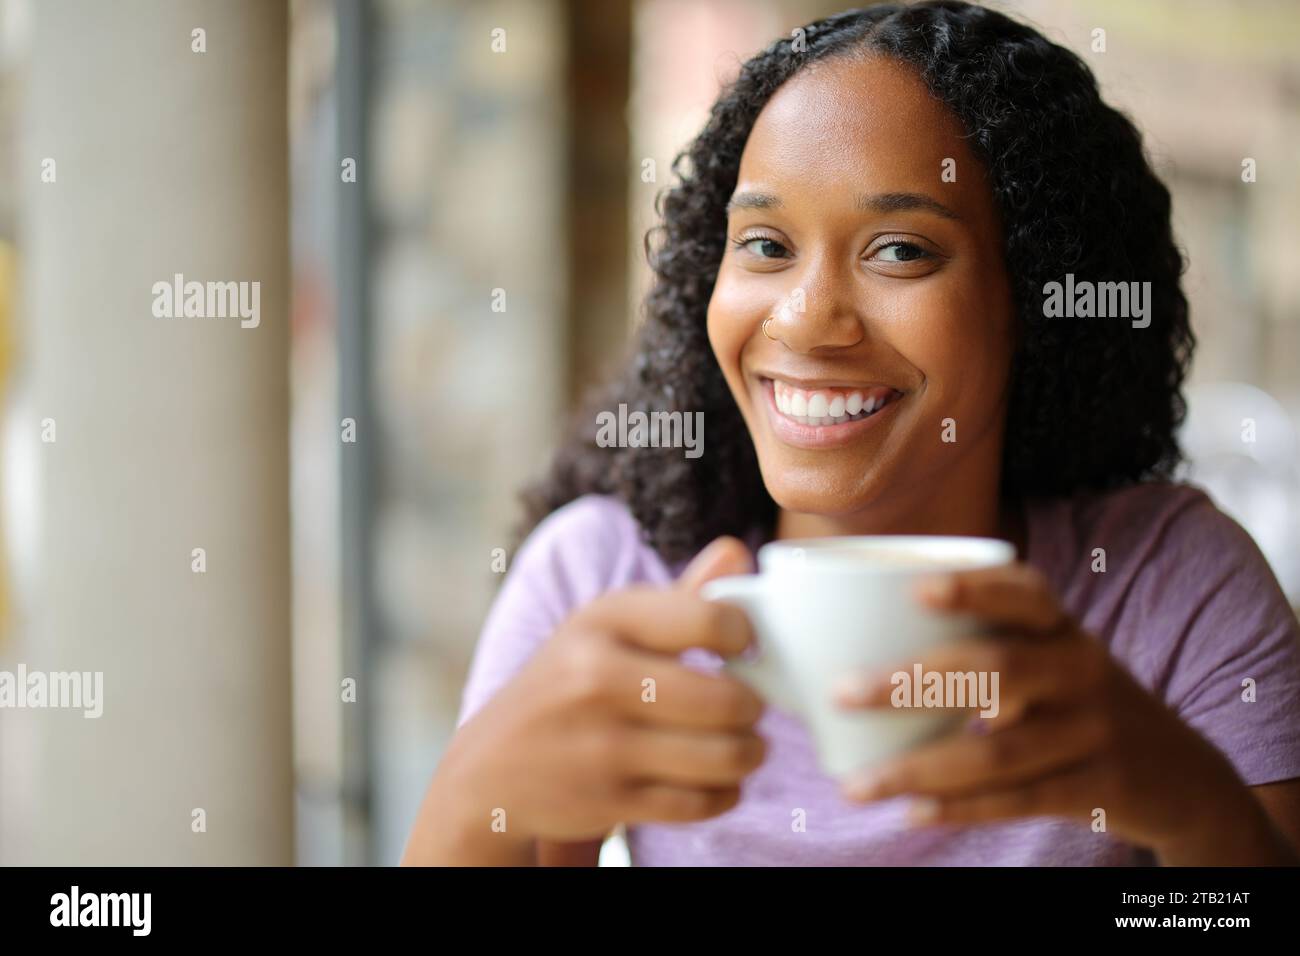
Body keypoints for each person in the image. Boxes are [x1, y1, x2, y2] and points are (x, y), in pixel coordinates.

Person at [402, 1, 1300, 866]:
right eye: (765, 244)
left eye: (901, 250)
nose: (805, 320)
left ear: (1033, 302)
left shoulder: (1166, 589)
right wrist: (477, 792)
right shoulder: (601, 583)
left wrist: (1186, 802)